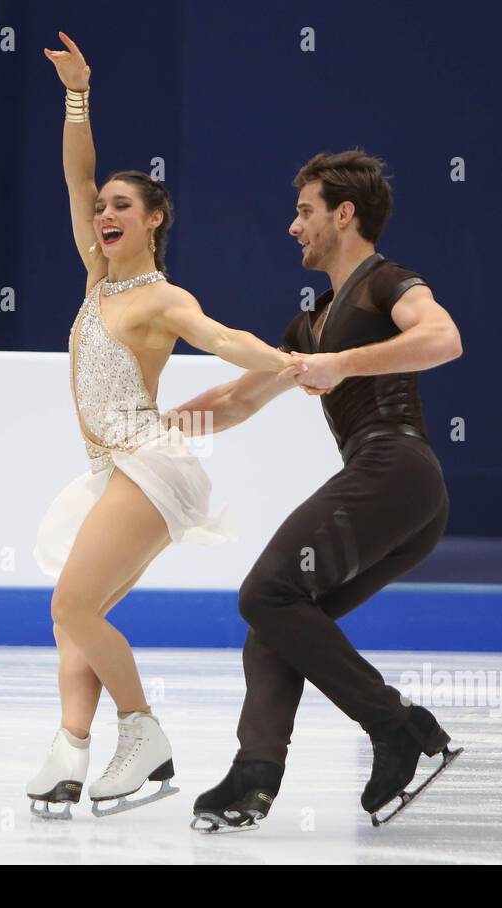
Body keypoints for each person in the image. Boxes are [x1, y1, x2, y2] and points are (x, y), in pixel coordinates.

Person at [25, 32, 305, 820]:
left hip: (152, 462)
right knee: (77, 613)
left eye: (122, 207)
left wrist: (287, 363)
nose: (104, 211)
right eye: (102, 206)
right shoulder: (95, 275)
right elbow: (76, 171)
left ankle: (141, 735)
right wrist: (77, 93)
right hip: (114, 468)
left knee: (72, 608)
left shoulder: (159, 297)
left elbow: (222, 339)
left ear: (153, 222)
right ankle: (69, 752)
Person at [165, 150, 465, 830]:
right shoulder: (309, 325)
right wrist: (153, 425)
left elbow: (444, 339)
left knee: (264, 592)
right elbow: (240, 401)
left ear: (344, 213)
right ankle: (254, 776)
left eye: (305, 212)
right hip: (402, 494)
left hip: (398, 469)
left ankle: (395, 726)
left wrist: (342, 363)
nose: (293, 227)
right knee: (274, 623)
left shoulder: (387, 283)